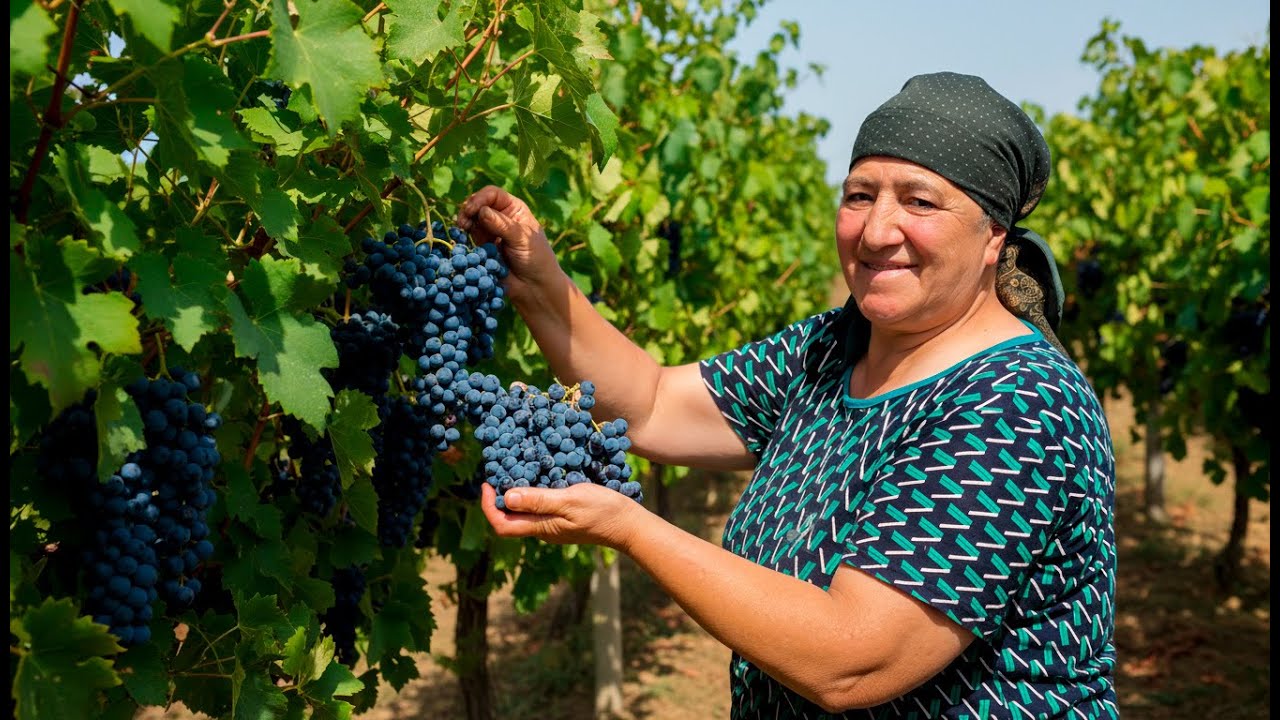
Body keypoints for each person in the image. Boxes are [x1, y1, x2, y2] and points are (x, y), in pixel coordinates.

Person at [456, 71, 1117, 719]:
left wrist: (630, 528)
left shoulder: (1020, 403)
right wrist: (538, 278)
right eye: (860, 195)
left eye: (920, 201)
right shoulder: (836, 348)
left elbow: (852, 659)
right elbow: (653, 404)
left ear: (993, 235)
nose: (877, 229)